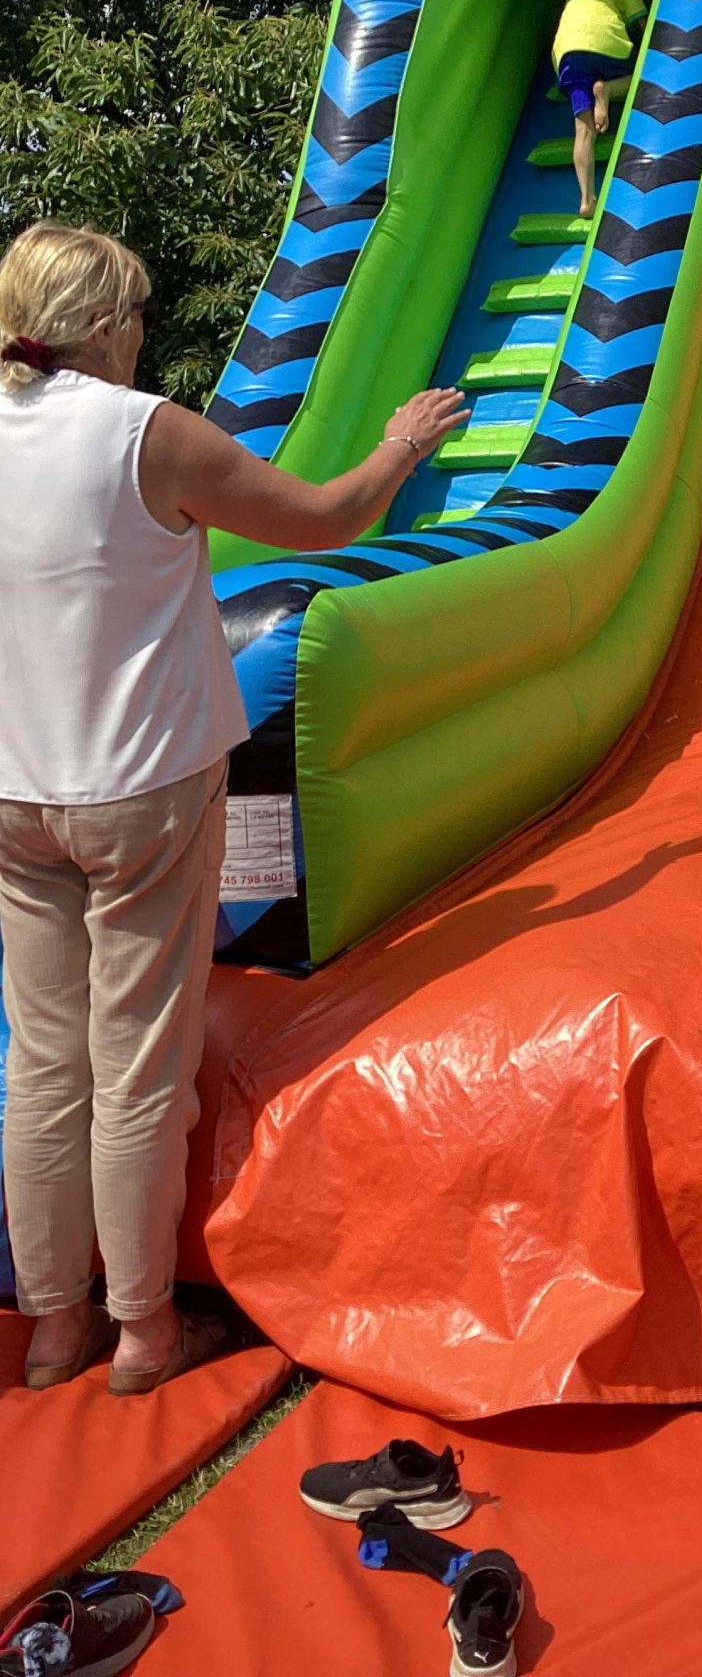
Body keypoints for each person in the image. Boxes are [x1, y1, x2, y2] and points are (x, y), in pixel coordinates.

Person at [0, 221, 468, 1394]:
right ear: (105, 323)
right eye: (142, 310)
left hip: (18, 790)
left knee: (45, 1065)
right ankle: (146, 1326)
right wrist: (401, 444)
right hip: (140, 787)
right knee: (136, 1066)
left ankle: (55, 1324)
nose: (145, 330)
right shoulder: (141, 433)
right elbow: (324, 519)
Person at [552, 0, 648, 220]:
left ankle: (586, 199)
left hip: (567, 50)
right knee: (642, 74)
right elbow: (641, 20)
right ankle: (606, 89)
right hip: (604, 42)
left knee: (582, 131)